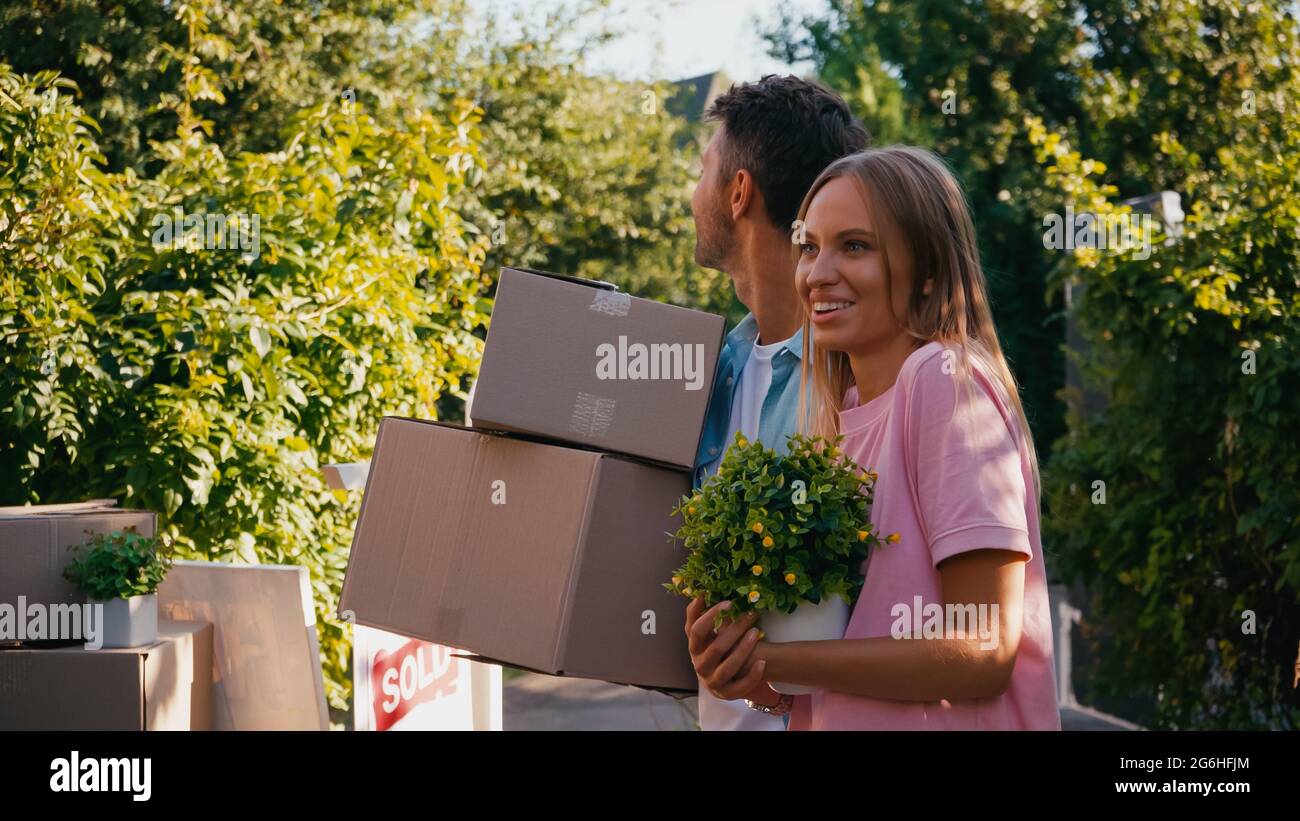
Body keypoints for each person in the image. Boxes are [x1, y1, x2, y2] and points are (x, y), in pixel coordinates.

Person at [686, 146, 1061, 730]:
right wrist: (758, 680)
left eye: (855, 246)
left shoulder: (941, 381)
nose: (817, 273)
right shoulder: (841, 414)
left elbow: (983, 651)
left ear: (929, 270)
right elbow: (858, 660)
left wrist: (779, 658)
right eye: (808, 247)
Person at [687, 75, 869, 730]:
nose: (690, 192)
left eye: (702, 170)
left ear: (739, 193)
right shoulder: (708, 377)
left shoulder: (867, 383)